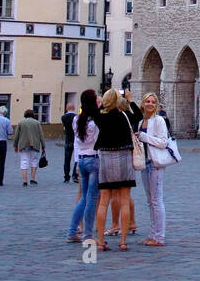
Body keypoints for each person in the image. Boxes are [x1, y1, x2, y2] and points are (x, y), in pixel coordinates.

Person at [95, 89, 137, 250]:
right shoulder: (124, 116)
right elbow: (138, 117)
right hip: (124, 157)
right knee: (125, 200)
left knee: (104, 202)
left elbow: (98, 110)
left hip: (106, 158)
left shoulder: (100, 117)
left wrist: (104, 103)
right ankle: (123, 242)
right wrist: (129, 100)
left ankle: (100, 241)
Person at [66, 89, 100, 241]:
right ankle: (88, 234)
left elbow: (78, 142)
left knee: (84, 198)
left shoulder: (77, 120)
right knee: (92, 199)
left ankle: (72, 231)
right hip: (94, 159)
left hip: (82, 160)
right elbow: (99, 141)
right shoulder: (95, 121)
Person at [137, 91, 170, 246]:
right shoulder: (141, 121)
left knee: (157, 200)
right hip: (145, 163)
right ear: (143, 104)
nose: (150, 104)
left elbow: (163, 142)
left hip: (155, 163)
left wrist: (144, 138)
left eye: (153, 102)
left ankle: (160, 236)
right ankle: (152, 234)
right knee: (150, 201)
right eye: (147, 101)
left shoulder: (159, 121)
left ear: (156, 105)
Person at [14, 109, 45, 186]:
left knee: (24, 161)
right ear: (33, 115)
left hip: (23, 144)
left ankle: (25, 180)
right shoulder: (37, 123)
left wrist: (15, 145)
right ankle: (32, 178)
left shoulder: (21, 123)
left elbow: (16, 135)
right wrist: (43, 146)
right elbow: (41, 135)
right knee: (34, 161)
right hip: (35, 144)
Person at [61, 107, 78, 183]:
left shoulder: (63, 117)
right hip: (75, 139)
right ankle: (75, 175)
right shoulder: (76, 117)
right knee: (76, 158)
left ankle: (66, 176)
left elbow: (64, 128)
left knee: (67, 159)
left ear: (67, 108)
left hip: (68, 139)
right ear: (73, 108)